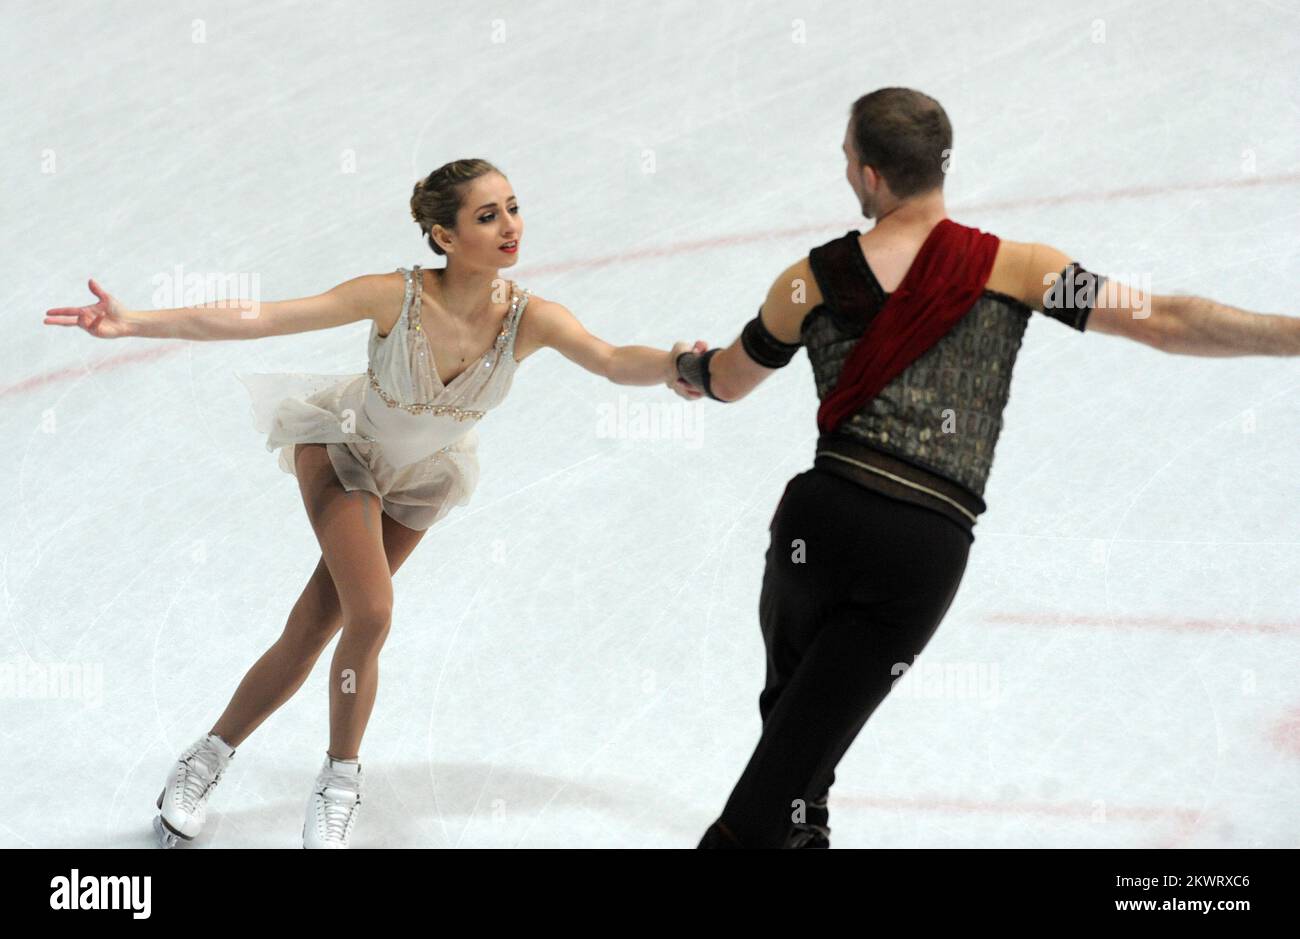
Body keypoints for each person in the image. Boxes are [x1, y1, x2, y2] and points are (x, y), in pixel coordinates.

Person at [672, 87, 1300, 849]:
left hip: (817, 523)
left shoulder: (808, 280)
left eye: (846, 158)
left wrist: (691, 367)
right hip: (920, 544)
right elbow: (1166, 320)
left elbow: (730, 379)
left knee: (797, 756)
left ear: (870, 175)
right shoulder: (1019, 269)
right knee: (784, 778)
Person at [43, 159, 703, 848]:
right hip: (343, 450)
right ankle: (340, 780)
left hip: (421, 480)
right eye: (487, 216)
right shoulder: (397, 297)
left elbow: (608, 356)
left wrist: (674, 366)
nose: (511, 227)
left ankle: (205, 756)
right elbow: (265, 317)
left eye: (512, 207)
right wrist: (135, 321)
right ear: (444, 236)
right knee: (374, 608)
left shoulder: (530, 318)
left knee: (311, 630)